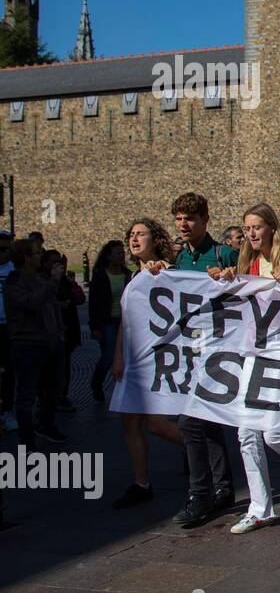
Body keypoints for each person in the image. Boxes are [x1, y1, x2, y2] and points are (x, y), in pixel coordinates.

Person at [212, 203, 280, 534]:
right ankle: (260, 507)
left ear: (272, 228)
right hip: (251, 351)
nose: (251, 233)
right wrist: (226, 279)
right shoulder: (246, 262)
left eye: (257, 227)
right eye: (246, 228)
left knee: (274, 432)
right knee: (246, 430)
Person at [164, 192, 239, 527]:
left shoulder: (223, 254)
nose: (183, 224)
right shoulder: (179, 260)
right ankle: (222, 487)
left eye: (190, 218)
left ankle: (200, 493)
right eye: (179, 218)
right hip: (189, 350)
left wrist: (228, 276)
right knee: (207, 421)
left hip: (220, 348)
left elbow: (244, 287)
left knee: (189, 421)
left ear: (205, 220)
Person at [110, 218, 187, 509]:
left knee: (156, 424)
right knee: (130, 422)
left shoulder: (165, 272)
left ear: (155, 239)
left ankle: (199, 453)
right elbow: (126, 321)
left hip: (156, 358)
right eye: (131, 234)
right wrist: (118, 355)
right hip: (132, 357)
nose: (134, 238)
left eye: (141, 233)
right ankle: (141, 482)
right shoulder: (134, 277)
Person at [3, 240, 66, 446]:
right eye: (37, 254)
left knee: (52, 389)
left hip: (50, 343)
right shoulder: (14, 282)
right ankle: (27, 438)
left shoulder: (41, 278)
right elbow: (31, 302)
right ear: (26, 258)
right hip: (27, 345)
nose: (41, 257)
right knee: (26, 394)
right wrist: (53, 282)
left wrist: (58, 332)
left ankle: (46, 424)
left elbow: (51, 306)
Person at [88, 240, 129, 405]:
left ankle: (121, 389)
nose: (121, 256)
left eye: (122, 253)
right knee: (109, 356)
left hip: (124, 320)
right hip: (107, 321)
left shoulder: (127, 274)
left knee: (125, 356)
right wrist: (94, 327)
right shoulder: (100, 275)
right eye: (117, 253)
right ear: (108, 256)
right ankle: (97, 383)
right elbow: (93, 303)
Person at [47, 252, 84, 409]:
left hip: (67, 328)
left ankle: (62, 395)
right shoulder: (45, 280)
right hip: (50, 331)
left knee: (64, 365)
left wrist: (73, 285)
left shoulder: (66, 281)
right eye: (56, 263)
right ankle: (49, 399)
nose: (61, 266)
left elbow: (80, 299)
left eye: (62, 263)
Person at [0, 232, 15, 421]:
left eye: (7, 249)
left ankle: (8, 410)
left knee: (9, 370)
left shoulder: (14, 271)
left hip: (10, 327)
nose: (4, 253)